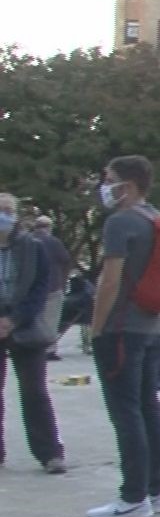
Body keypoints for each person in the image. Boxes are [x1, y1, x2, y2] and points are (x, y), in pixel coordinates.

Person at [88, 156, 160, 517]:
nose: (103, 186)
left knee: (126, 413)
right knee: (148, 407)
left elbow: (110, 280)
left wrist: (96, 326)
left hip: (122, 327)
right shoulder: (158, 220)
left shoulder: (121, 222)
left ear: (128, 185)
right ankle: (158, 489)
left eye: (108, 179)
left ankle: (133, 496)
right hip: (154, 326)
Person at [0, 194, 65, 474]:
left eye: (8, 211)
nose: (4, 216)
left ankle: (49, 453)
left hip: (25, 326)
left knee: (35, 392)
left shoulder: (32, 247)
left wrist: (14, 319)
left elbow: (41, 288)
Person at [31, 216, 72, 361]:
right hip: (53, 286)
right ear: (49, 227)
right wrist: (64, 280)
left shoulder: (28, 241)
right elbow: (66, 260)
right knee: (51, 320)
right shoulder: (54, 242)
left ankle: (33, 346)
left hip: (32, 288)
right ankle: (48, 349)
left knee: (35, 319)